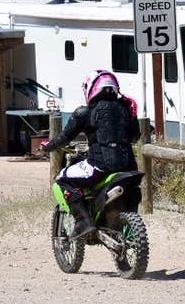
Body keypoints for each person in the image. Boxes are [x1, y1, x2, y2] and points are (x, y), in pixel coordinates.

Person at [41, 69, 139, 238]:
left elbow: (64, 138)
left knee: (62, 179)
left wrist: (47, 147)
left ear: (92, 88)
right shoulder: (126, 108)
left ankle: (83, 221)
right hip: (129, 166)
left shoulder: (85, 112)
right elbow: (135, 136)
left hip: (100, 166)